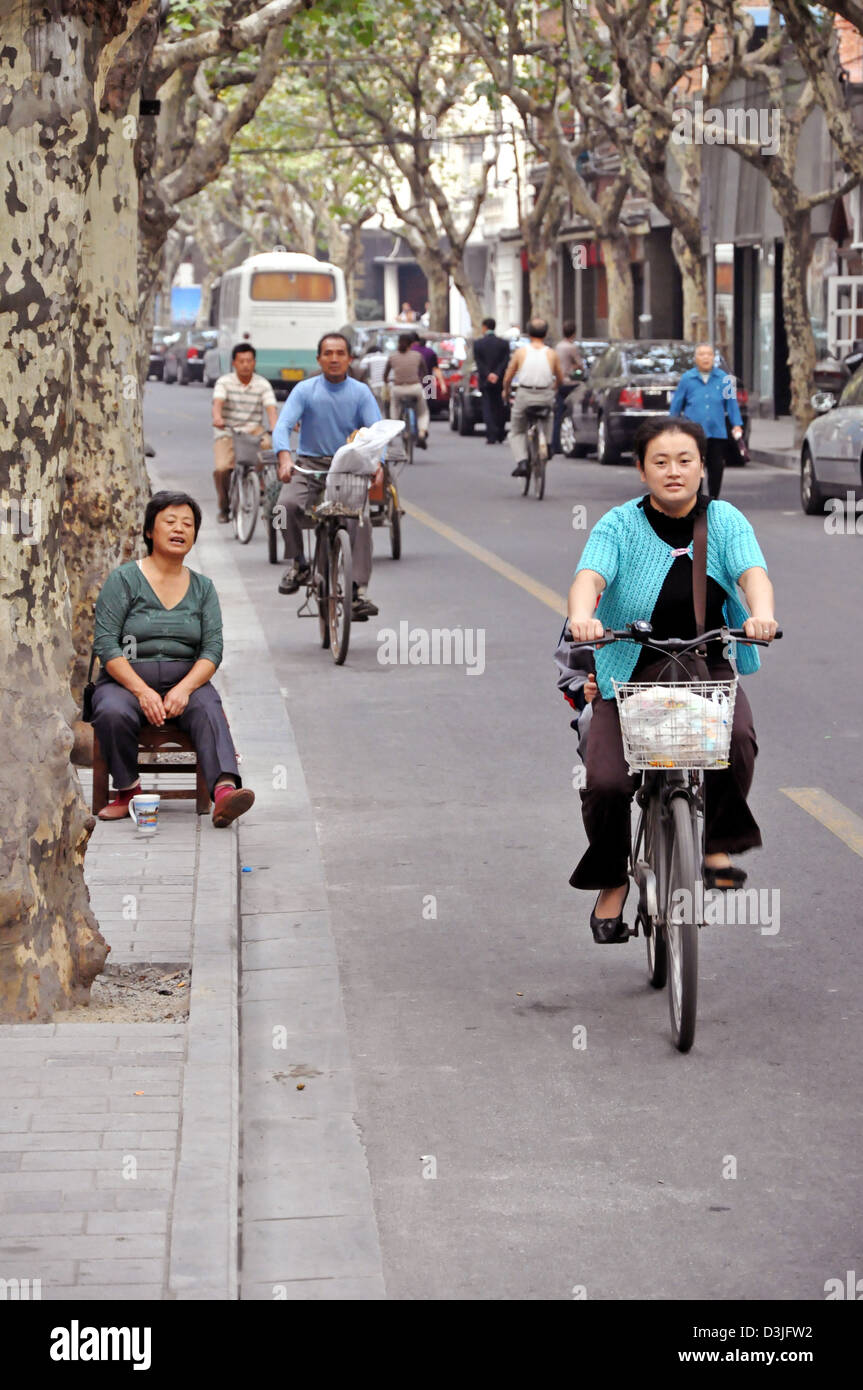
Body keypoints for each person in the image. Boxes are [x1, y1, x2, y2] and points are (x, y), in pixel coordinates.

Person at [566, 416, 778, 944]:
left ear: (702, 467)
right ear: (641, 470)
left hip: (705, 665)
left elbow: (753, 574)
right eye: (660, 462)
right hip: (629, 671)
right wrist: (582, 616)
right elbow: (589, 576)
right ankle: (613, 877)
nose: (674, 471)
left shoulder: (725, 520)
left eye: (685, 460)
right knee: (607, 783)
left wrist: (762, 613)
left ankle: (714, 843)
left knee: (739, 740)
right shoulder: (617, 525)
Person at [91, 492, 255, 827]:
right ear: (150, 530)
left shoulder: (203, 588)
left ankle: (223, 794)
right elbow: (106, 644)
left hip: (187, 680)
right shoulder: (123, 580)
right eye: (170, 521)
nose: (180, 528)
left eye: (188, 524)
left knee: (209, 707)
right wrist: (142, 691)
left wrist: (183, 689)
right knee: (110, 710)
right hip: (126, 680)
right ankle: (128, 792)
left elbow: (212, 649)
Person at [272, 333, 383, 620]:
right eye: (328, 353)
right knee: (283, 508)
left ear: (349, 358)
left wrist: (378, 464)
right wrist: (284, 456)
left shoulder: (360, 392)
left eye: (340, 353)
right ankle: (298, 563)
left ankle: (358, 591)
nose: (334, 358)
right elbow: (283, 425)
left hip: (347, 468)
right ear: (319, 358)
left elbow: (376, 433)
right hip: (309, 466)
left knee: (360, 520)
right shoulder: (305, 390)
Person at [212, 343, 278, 523]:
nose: (246, 365)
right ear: (234, 363)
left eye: (249, 361)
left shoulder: (262, 384)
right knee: (222, 469)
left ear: (254, 362)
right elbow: (217, 403)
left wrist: (274, 426)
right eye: (242, 361)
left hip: (253, 431)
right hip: (228, 431)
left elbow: (271, 408)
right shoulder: (224, 382)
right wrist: (217, 418)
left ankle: (259, 480)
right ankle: (224, 507)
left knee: (268, 446)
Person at [669, 342, 744, 499]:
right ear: (696, 358)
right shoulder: (687, 379)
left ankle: (713, 499)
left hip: (717, 432)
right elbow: (676, 405)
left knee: (716, 467)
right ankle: (696, 499)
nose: (706, 358)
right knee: (694, 468)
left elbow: (732, 404)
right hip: (693, 434)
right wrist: (671, 427)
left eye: (709, 354)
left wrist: (736, 424)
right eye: (702, 354)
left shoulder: (725, 379)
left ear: (714, 358)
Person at [502, 318, 565, 477]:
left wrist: (506, 391)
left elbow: (508, 377)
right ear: (545, 333)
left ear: (528, 333)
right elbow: (560, 378)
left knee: (516, 430)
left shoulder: (521, 352)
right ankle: (548, 444)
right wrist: (554, 388)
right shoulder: (551, 353)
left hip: (524, 394)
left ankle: (522, 461)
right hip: (545, 394)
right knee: (549, 416)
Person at [384, 332, 430, 449]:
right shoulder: (417, 355)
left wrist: (388, 381)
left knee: (394, 406)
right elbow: (425, 373)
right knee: (423, 411)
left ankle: (395, 427)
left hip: (398, 388)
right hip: (415, 387)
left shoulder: (392, 356)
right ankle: (421, 432)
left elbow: (385, 375)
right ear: (412, 344)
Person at [473, 317, 511, 445]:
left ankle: (491, 434)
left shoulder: (478, 344)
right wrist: (497, 374)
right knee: (500, 406)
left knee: (488, 407)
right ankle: (500, 432)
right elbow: (505, 362)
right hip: (500, 380)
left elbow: (479, 363)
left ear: (484, 327)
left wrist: (488, 374)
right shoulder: (503, 343)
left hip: (485, 380)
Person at [551, 320, 584, 454]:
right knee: (569, 412)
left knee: (558, 414)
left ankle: (555, 443)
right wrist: (575, 367)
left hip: (559, 383)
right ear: (574, 332)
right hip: (570, 384)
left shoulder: (558, 347)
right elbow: (580, 365)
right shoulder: (572, 347)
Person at [410, 332, 445, 409]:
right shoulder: (430, 352)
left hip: (411, 383)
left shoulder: (409, 351)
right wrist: (442, 384)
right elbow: (436, 369)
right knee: (427, 408)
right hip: (427, 384)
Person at [358, 338, 388, 410]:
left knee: (377, 401)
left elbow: (361, 367)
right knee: (385, 401)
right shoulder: (386, 357)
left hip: (374, 384)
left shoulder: (368, 358)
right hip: (385, 384)